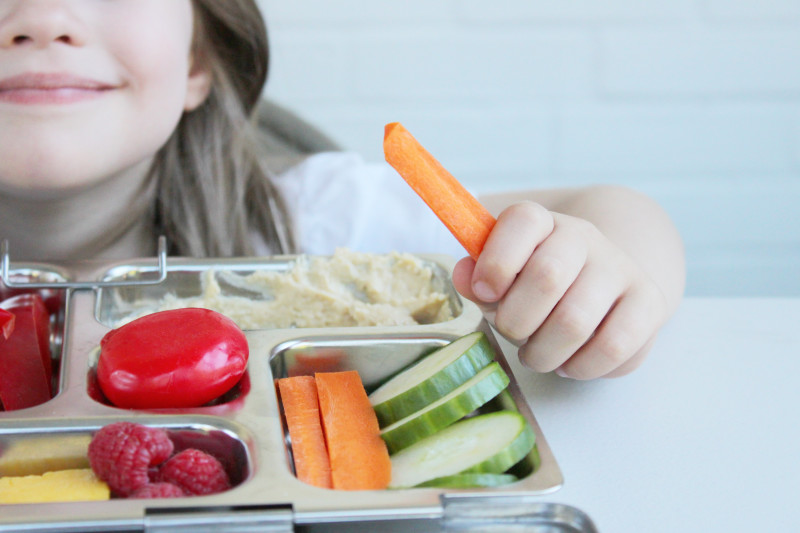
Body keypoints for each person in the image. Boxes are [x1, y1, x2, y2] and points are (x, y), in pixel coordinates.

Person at [0, 0, 685, 380]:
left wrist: (603, 278)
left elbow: (614, 209)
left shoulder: (314, 219)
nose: (41, 18)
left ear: (197, 63)